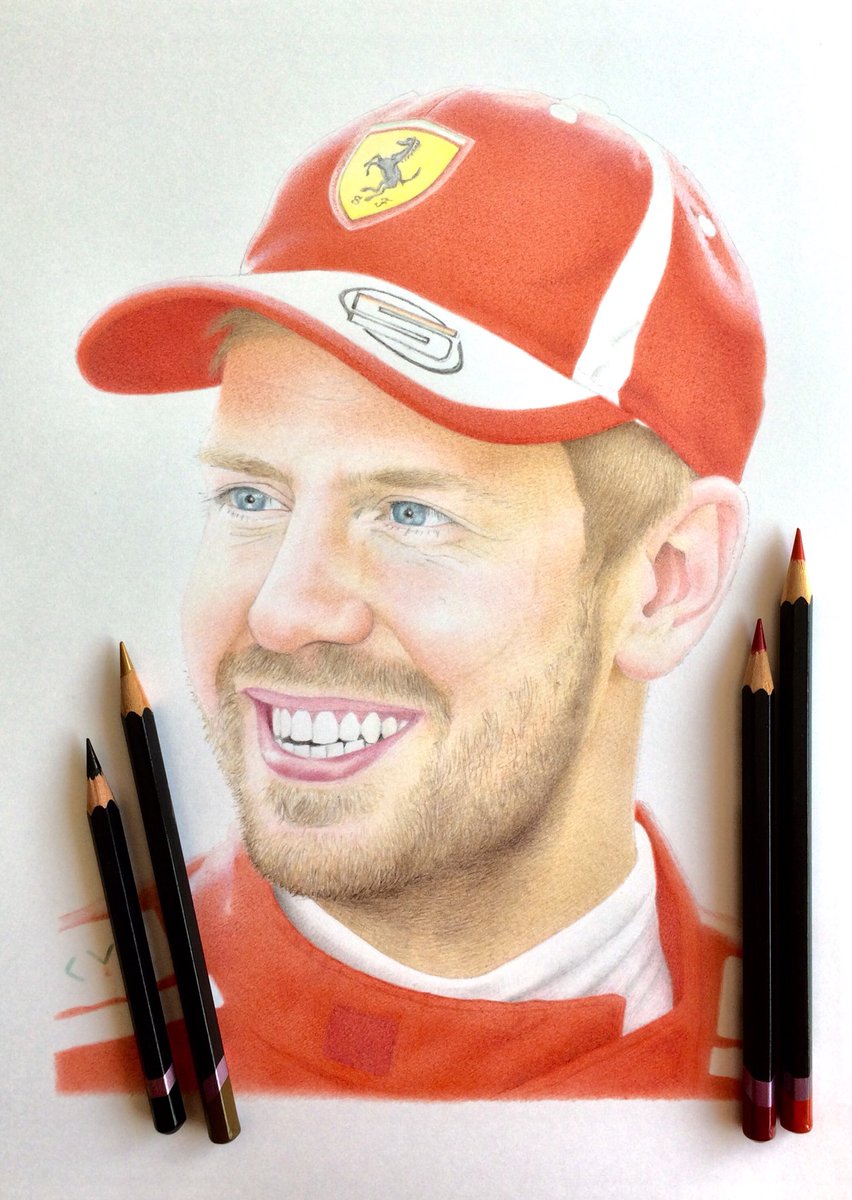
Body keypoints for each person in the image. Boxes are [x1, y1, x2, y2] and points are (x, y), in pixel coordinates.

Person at [56, 87, 764, 1100]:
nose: (284, 612)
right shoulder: (62, 1038)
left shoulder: (806, 1066)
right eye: (250, 497)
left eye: (412, 514)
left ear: (665, 584)